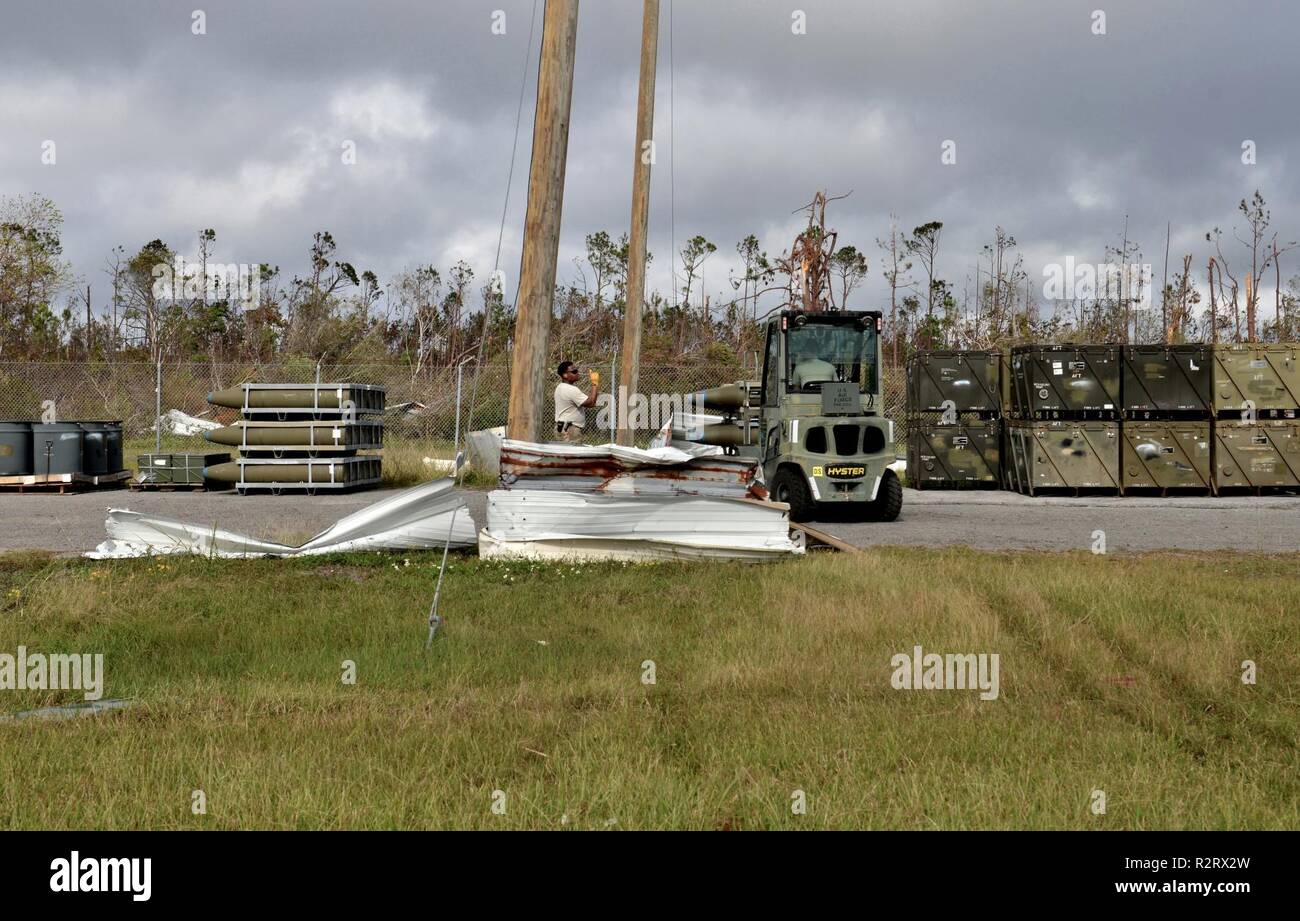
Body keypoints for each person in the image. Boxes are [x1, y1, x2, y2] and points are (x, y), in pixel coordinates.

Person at [553, 360, 598, 442]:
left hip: (562, 427)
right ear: (565, 375)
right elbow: (591, 403)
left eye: (577, 370)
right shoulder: (571, 389)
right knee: (573, 453)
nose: (577, 373)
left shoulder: (560, 387)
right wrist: (595, 383)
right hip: (570, 430)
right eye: (574, 371)